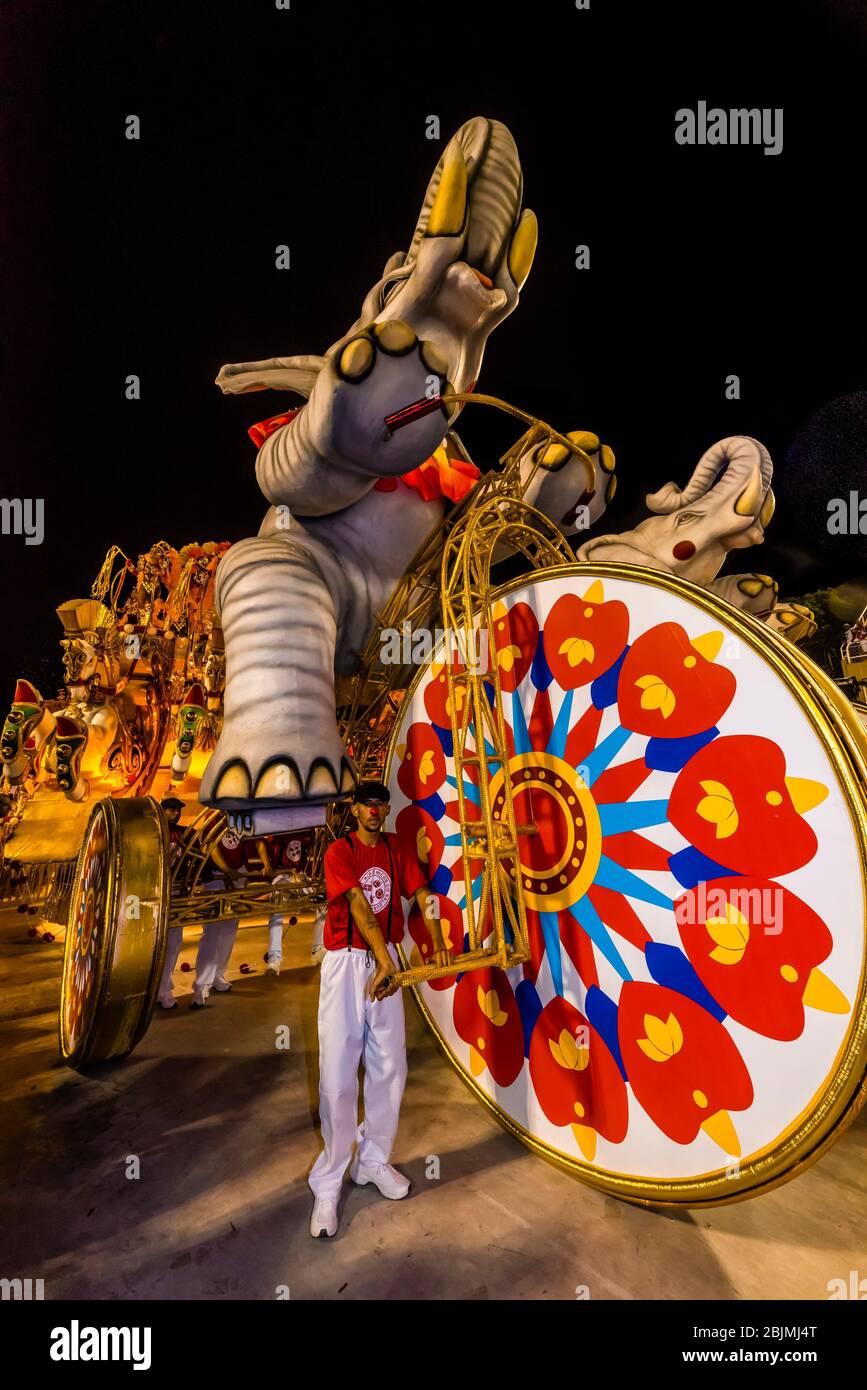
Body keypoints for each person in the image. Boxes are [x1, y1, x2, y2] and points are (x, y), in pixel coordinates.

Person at [309, 780, 451, 1239]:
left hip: (386, 960)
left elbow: (423, 893)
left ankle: (372, 1161)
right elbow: (356, 903)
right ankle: (328, 1183)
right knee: (337, 1074)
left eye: (381, 804)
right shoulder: (340, 852)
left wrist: (440, 940)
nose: (375, 810)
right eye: (367, 805)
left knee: (391, 1066)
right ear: (354, 810)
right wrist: (387, 960)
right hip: (348, 964)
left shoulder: (397, 847)